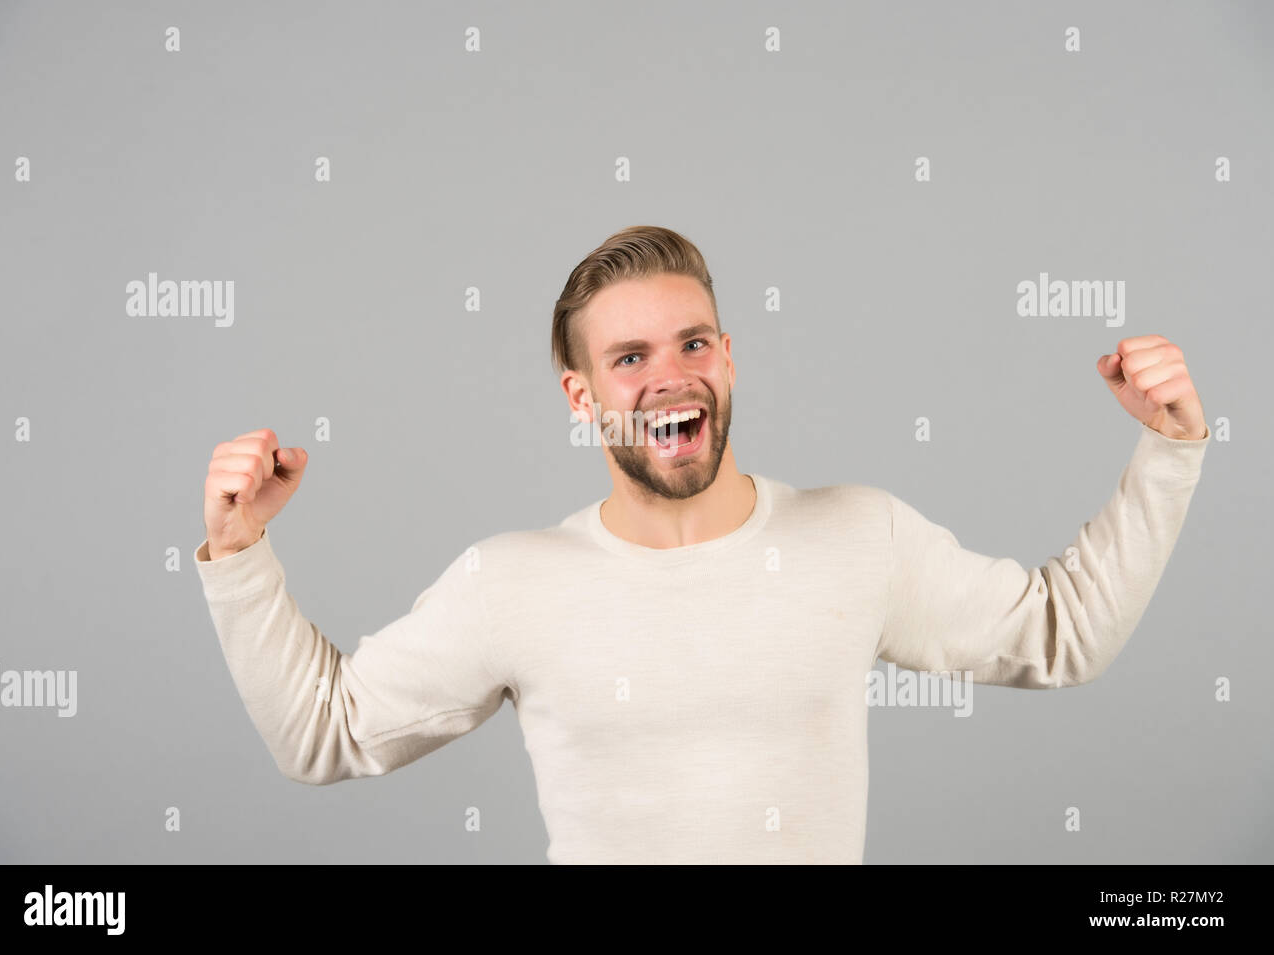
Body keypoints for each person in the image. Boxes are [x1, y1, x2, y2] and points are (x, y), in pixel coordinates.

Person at [194, 225, 1209, 864]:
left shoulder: (855, 535)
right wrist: (239, 553)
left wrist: (1168, 449)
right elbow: (323, 734)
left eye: (691, 343)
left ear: (727, 359)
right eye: (628, 357)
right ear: (581, 397)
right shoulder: (512, 583)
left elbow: (1063, 632)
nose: (668, 374)